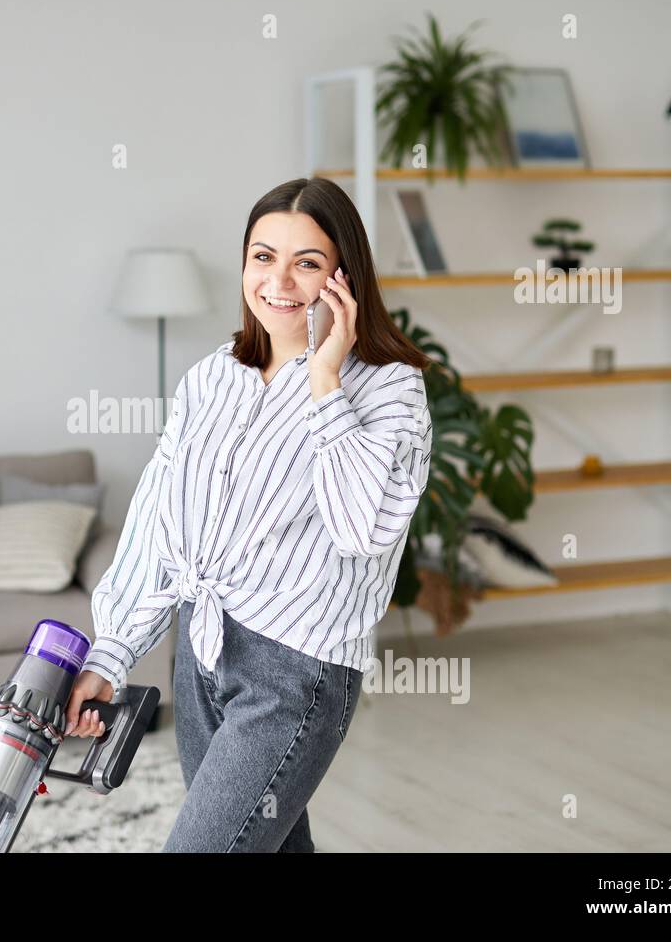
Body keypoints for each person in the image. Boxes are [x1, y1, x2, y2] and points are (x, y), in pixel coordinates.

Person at [65, 176, 434, 852]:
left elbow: (362, 530)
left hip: (295, 670)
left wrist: (326, 381)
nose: (280, 281)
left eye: (309, 262)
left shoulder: (390, 389)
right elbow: (158, 520)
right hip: (201, 651)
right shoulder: (211, 377)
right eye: (263, 257)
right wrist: (111, 653)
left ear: (344, 277)